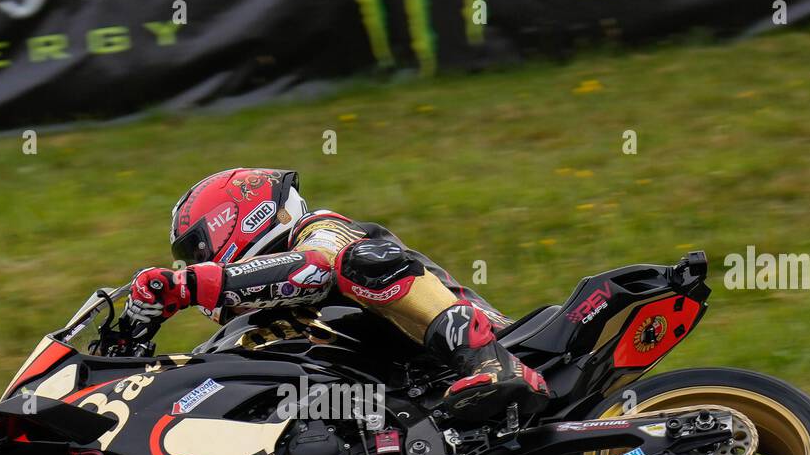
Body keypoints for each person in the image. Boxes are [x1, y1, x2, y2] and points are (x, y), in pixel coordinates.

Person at [123, 168, 549, 421]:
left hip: (507, 347)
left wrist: (189, 285)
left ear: (235, 220)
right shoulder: (252, 319)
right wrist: (132, 337)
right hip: (399, 400)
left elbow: (313, 269)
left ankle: (490, 362)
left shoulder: (317, 230)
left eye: (197, 252)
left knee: (359, 261)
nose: (195, 263)